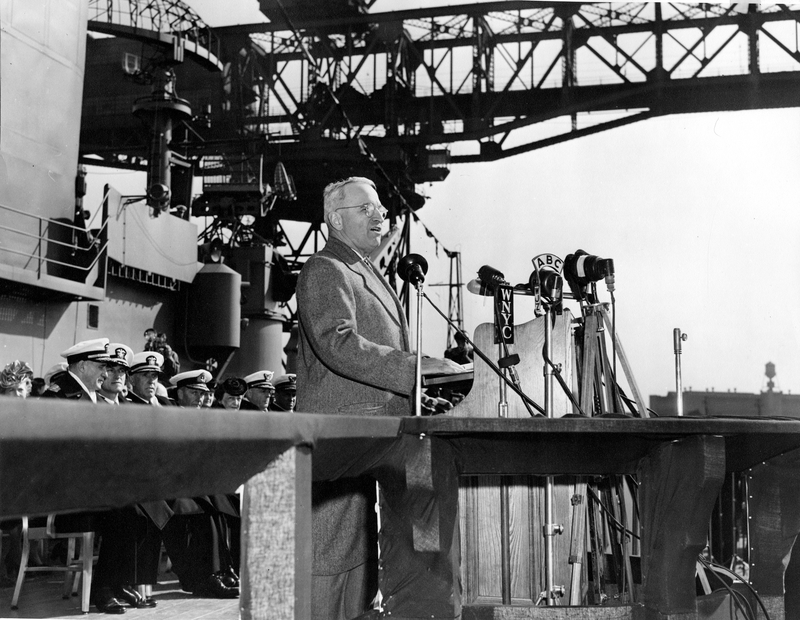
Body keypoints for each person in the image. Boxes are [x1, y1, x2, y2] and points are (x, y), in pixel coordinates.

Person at [295, 176, 463, 620]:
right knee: (334, 562)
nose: (380, 216)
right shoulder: (325, 269)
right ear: (336, 219)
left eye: (380, 209)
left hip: (383, 430)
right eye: (366, 209)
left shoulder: (367, 271)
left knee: (391, 551)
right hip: (344, 433)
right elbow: (336, 341)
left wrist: (422, 394)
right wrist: (414, 368)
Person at [91, 347, 159, 614]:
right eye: (111, 369)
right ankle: (103, 589)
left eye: (122, 371)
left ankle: (121, 583)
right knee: (125, 515)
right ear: (101, 373)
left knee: (148, 513)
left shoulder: (130, 408)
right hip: (97, 490)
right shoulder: (92, 405)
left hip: (126, 485)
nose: (117, 375)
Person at [40, 338, 111, 402]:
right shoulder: (54, 398)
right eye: (101, 367)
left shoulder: (102, 402)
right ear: (82, 366)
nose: (106, 374)